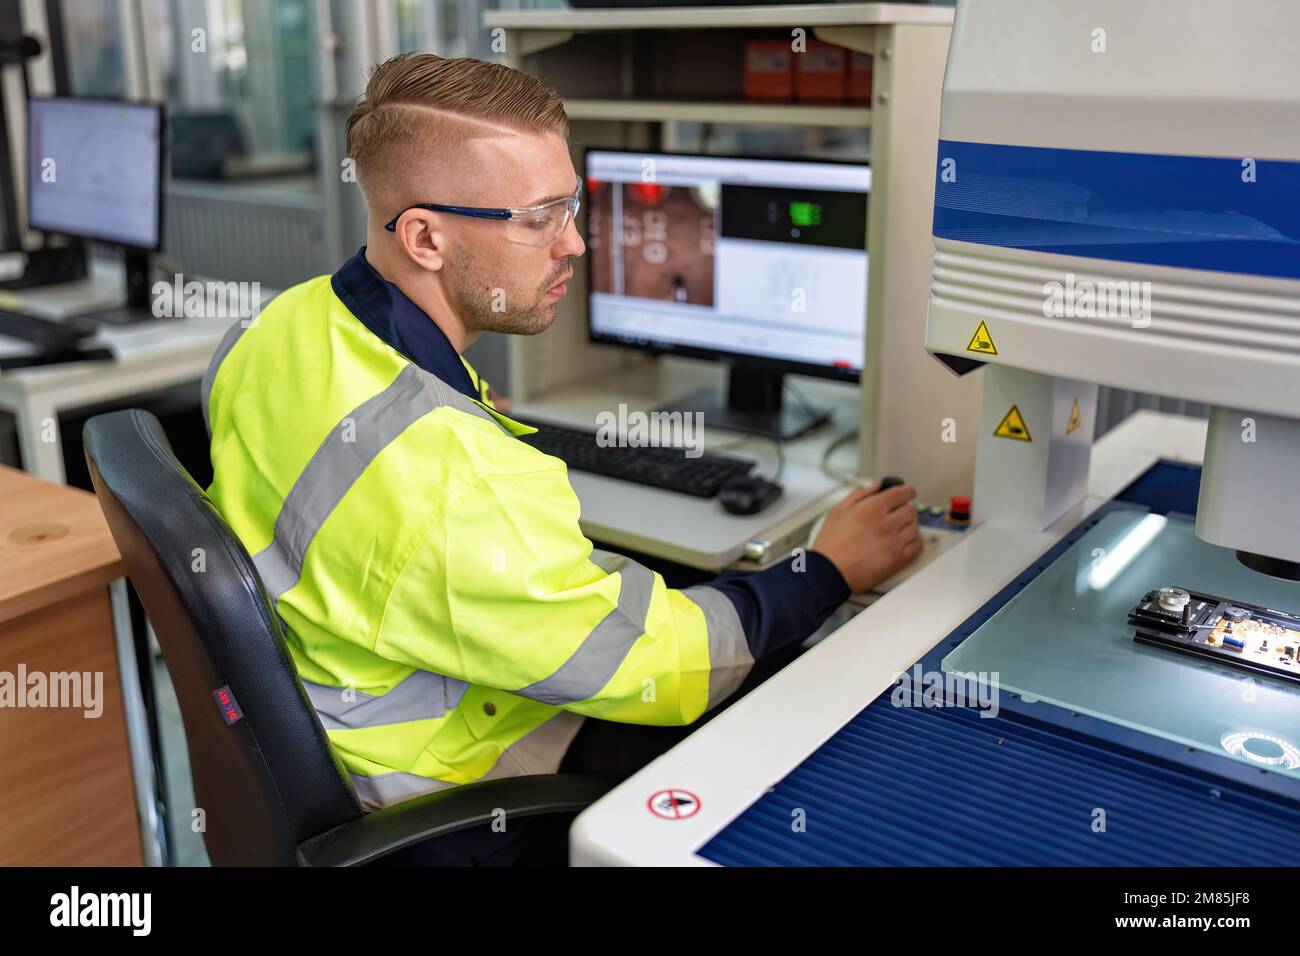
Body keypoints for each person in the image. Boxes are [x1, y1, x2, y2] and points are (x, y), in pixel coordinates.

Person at [203, 52, 921, 861]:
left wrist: (461, 411)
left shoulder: (273, 329)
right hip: (429, 783)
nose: (575, 244)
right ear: (426, 237)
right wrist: (825, 571)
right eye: (539, 217)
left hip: (341, 701)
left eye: (570, 206)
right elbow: (670, 667)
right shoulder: (462, 485)